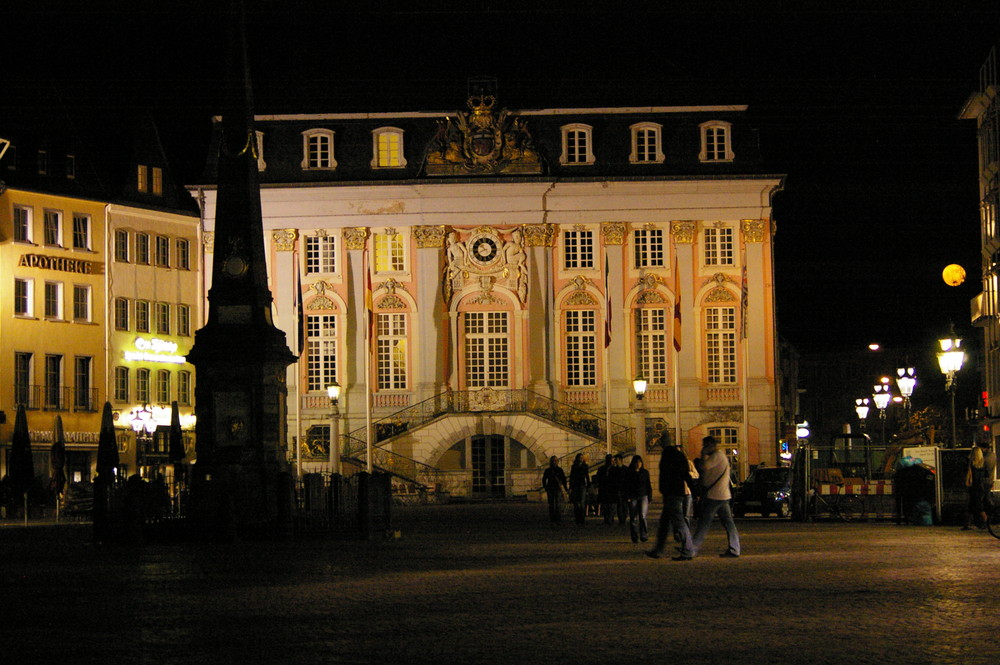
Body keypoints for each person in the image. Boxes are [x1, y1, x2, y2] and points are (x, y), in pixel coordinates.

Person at [691, 435, 741, 558]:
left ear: (711, 445)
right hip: (722, 495)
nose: (704, 448)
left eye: (705, 445)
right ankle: (735, 549)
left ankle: (691, 549)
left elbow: (703, 467)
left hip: (715, 496)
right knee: (728, 523)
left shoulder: (717, 456)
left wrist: (702, 454)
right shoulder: (719, 456)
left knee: (704, 523)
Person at [647, 436, 696, 560]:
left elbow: (665, 475)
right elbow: (686, 474)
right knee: (665, 523)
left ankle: (688, 550)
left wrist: (664, 489)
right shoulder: (679, 456)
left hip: (671, 493)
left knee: (678, 522)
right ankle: (658, 549)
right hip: (677, 491)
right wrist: (694, 489)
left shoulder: (667, 455)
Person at [623, 455, 653, 543]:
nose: (638, 464)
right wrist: (627, 496)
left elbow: (648, 484)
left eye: (640, 462)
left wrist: (649, 496)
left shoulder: (645, 472)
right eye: (636, 462)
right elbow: (626, 486)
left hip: (643, 495)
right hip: (632, 496)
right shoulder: (629, 473)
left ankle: (644, 535)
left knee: (643, 516)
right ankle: (634, 536)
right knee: (633, 517)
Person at [963, 444, 992, 530]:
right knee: (973, 506)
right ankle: (967, 524)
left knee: (977, 507)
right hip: (981, 488)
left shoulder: (971, 465)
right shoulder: (983, 465)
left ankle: (986, 523)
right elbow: (987, 476)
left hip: (974, 488)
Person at [542, 456, 568, 526]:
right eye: (553, 461)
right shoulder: (548, 470)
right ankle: (553, 520)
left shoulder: (559, 470)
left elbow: (563, 479)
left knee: (558, 505)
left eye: (555, 461)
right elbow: (544, 479)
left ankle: (558, 519)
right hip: (550, 489)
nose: (554, 462)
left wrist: (565, 488)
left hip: (557, 489)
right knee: (552, 505)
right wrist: (546, 488)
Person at [595, 454, 617, 525]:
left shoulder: (614, 469)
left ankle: (610, 518)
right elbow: (598, 478)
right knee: (605, 505)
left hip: (611, 489)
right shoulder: (602, 469)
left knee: (610, 505)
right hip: (604, 489)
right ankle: (607, 518)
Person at [569, 453, 590, 526]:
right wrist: (570, 487)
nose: (581, 459)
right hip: (575, 486)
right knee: (576, 503)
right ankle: (577, 518)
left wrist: (588, 486)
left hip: (582, 485)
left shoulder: (585, 466)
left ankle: (582, 519)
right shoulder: (574, 466)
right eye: (580, 457)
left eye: (582, 457)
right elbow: (571, 477)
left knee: (582, 503)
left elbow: (587, 476)